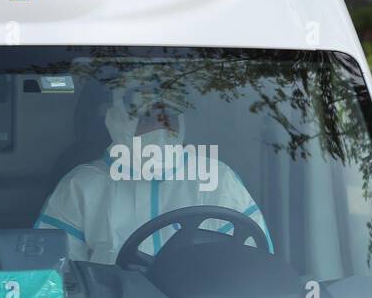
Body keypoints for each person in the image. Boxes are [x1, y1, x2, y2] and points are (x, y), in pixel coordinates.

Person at [36, 82, 271, 264]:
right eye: (148, 117)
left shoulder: (216, 179)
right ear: (118, 120)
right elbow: (52, 274)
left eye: (169, 117)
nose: (162, 129)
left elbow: (253, 266)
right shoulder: (81, 185)